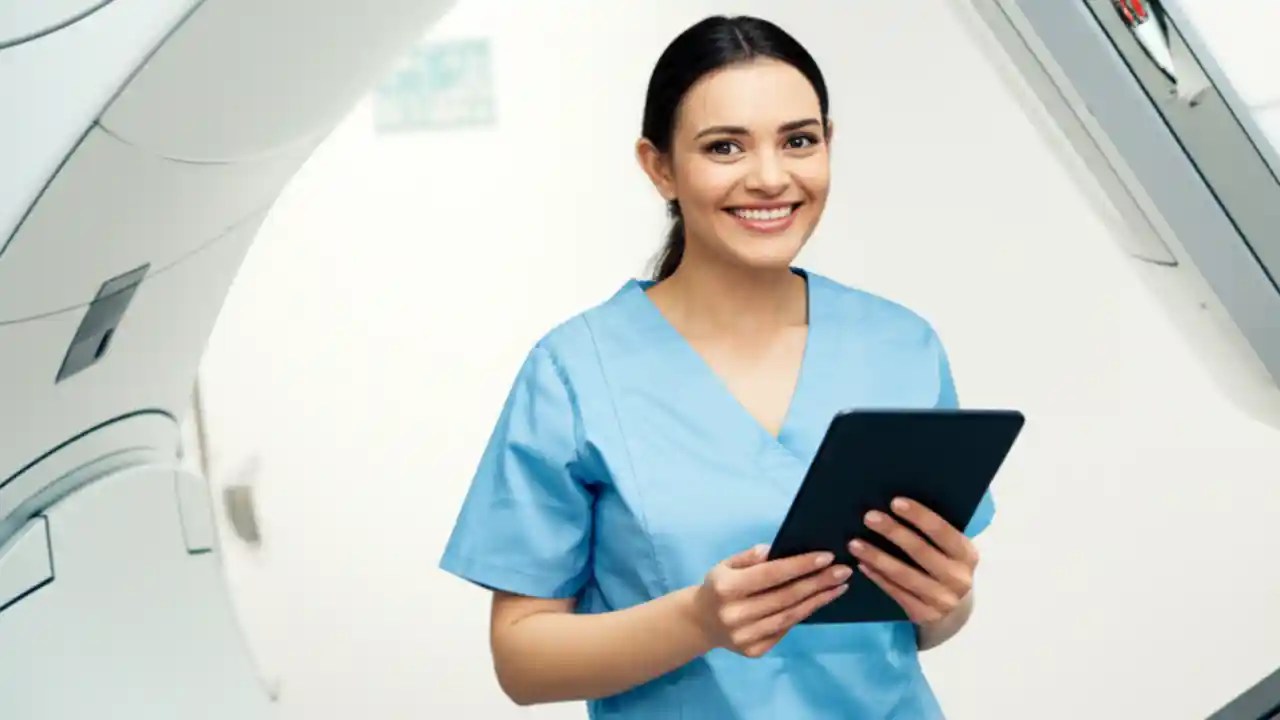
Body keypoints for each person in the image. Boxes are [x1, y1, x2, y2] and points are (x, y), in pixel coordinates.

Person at [439, 14, 995, 719]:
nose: (770, 178)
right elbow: (522, 661)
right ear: (659, 167)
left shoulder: (901, 346)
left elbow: (922, 625)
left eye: (799, 140)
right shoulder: (576, 372)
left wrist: (947, 600)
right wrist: (698, 622)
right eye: (724, 147)